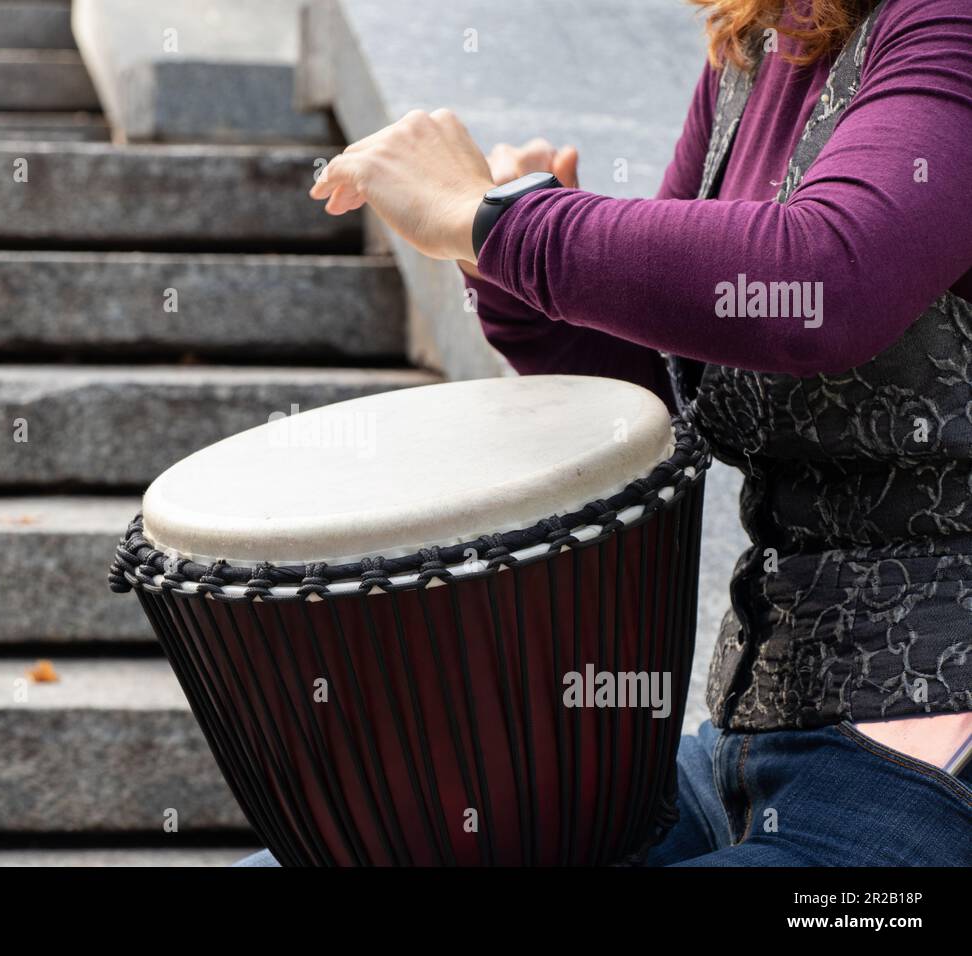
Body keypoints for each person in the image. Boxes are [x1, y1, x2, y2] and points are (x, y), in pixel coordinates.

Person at [286, 0, 972, 865]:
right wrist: (505, 273)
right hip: (751, 742)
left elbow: (824, 279)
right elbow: (671, 384)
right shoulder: (754, 39)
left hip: (924, 768)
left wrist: (502, 222)